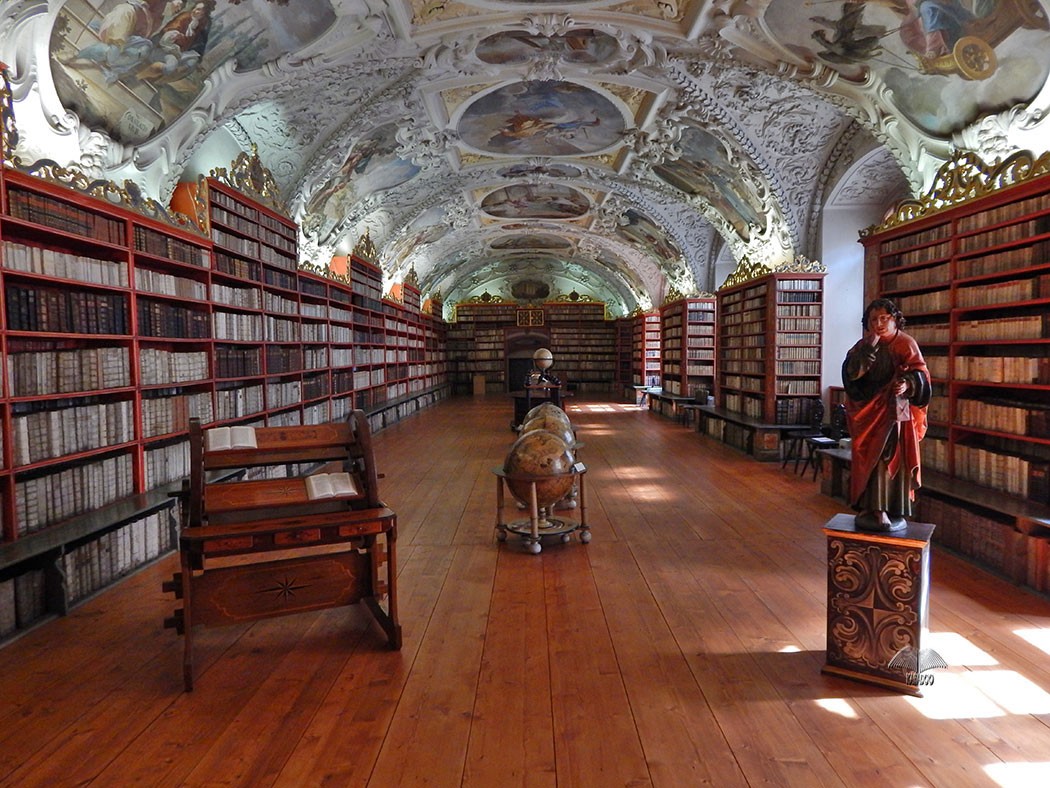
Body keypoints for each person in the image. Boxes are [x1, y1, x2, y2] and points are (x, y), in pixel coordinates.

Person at [842, 298, 931, 531]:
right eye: (873, 319)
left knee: (886, 458)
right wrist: (869, 350)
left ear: (895, 320)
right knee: (865, 458)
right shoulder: (863, 345)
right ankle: (866, 504)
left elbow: (921, 375)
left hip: (894, 414)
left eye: (884, 318)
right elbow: (851, 376)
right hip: (867, 414)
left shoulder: (905, 344)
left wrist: (907, 385)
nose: (879, 323)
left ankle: (885, 509)